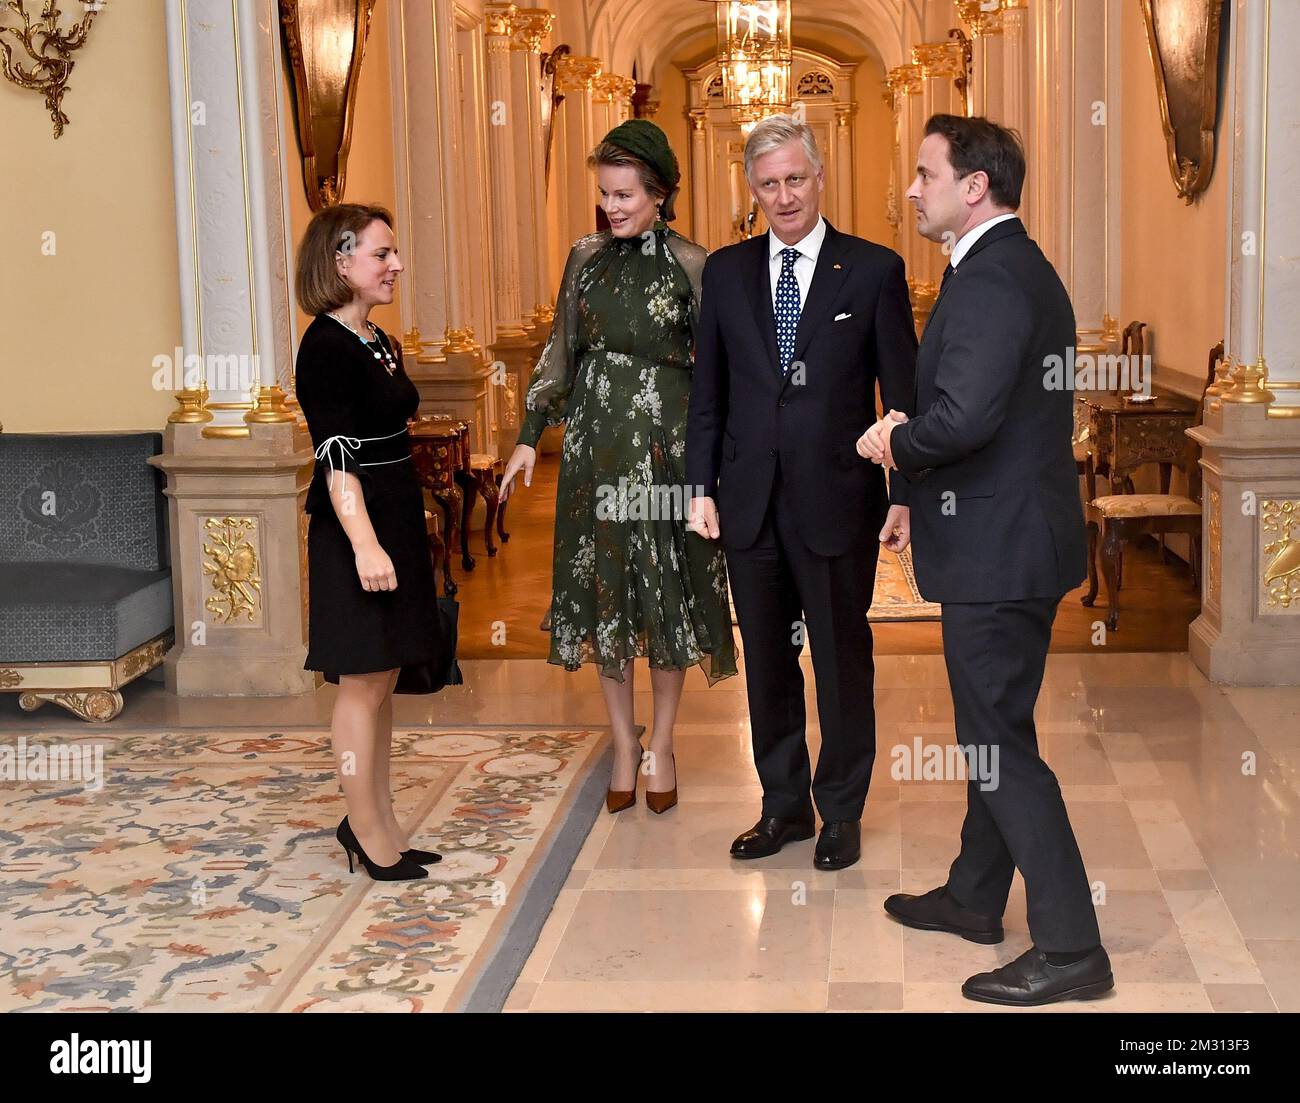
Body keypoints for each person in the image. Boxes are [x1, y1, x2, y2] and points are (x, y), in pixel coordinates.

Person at [859, 114, 1113, 1005]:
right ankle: (975, 896)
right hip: (1005, 541)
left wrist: (895, 441)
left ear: (974, 187)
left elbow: (963, 419)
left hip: (1003, 554)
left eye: (926, 173)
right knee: (997, 728)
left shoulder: (995, 277)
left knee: (997, 742)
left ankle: (1074, 948)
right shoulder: (1002, 267)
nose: (913, 189)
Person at [685, 115, 917, 871]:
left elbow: (902, 399)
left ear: (820, 177)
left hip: (838, 502)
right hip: (747, 502)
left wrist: (905, 492)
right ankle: (782, 806)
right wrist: (700, 487)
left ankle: (841, 811)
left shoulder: (875, 270)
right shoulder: (724, 272)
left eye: (795, 178)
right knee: (769, 663)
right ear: (751, 190)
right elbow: (707, 396)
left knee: (842, 658)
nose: (783, 195)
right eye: (768, 183)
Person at [501, 120, 738, 816]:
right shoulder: (584, 258)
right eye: (605, 193)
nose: (614, 206)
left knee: (661, 597)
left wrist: (719, 464)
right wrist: (526, 434)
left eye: (627, 193)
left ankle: (662, 741)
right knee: (607, 597)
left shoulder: (696, 264)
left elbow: (717, 370)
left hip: (667, 454)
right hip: (594, 454)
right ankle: (622, 742)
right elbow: (560, 351)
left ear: (660, 193)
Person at [294, 203, 450, 882]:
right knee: (360, 681)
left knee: (383, 675)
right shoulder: (325, 347)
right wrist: (364, 542)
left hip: (393, 512)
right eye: (382, 254)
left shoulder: (375, 336)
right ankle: (364, 827)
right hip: (355, 522)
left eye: (393, 252)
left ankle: (379, 820)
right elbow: (335, 455)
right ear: (340, 262)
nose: (396, 265)